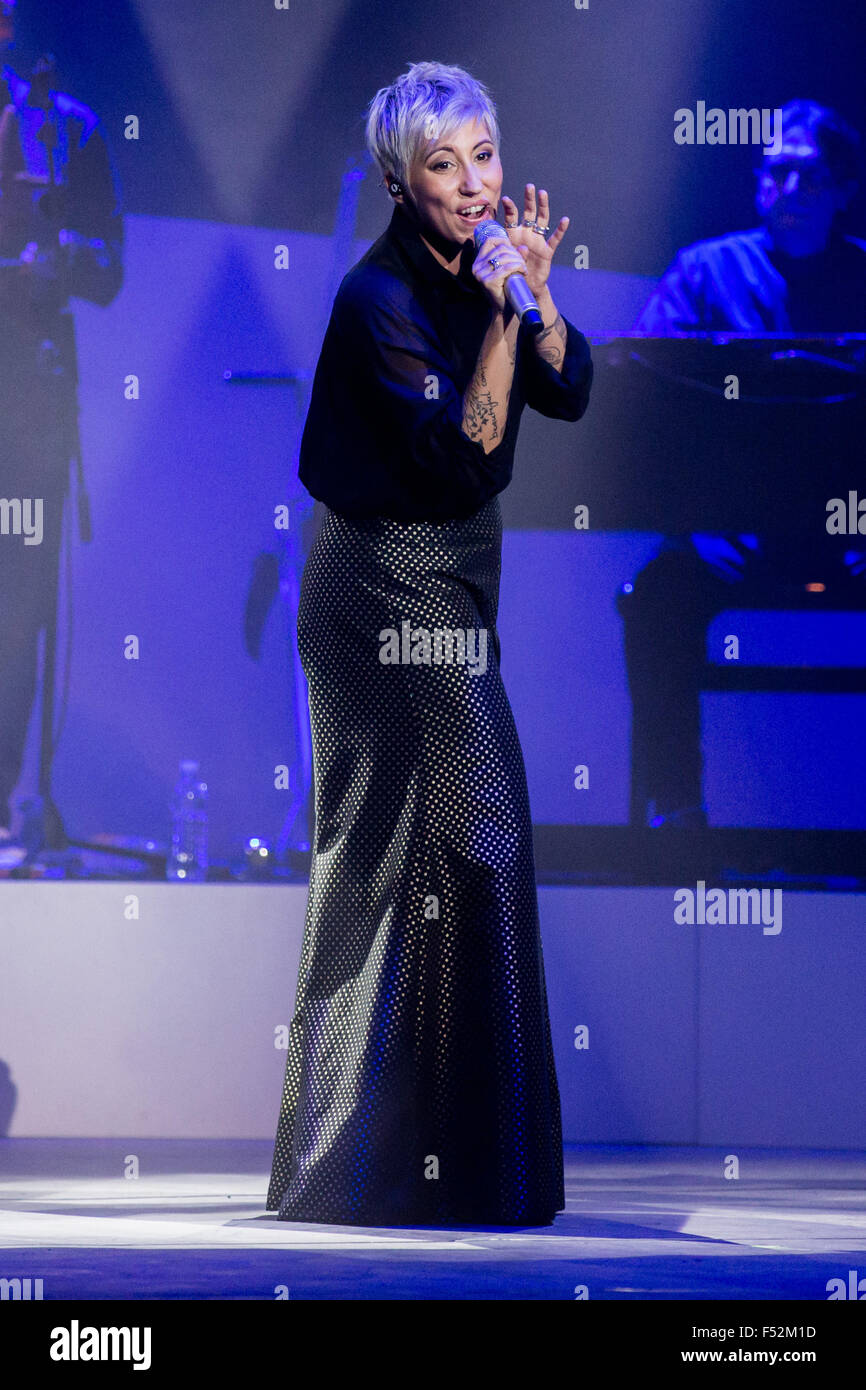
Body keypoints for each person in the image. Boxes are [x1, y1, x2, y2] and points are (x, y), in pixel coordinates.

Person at [265, 60, 593, 1227]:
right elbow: (459, 451)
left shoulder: (487, 268)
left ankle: (431, 1168)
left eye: (484, 155)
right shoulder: (376, 298)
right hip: (373, 586)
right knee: (441, 835)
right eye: (442, 165)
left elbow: (574, 389)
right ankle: (371, 1166)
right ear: (398, 182)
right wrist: (508, 316)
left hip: (452, 576)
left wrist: (534, 302)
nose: (471, 184)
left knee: (452, 854)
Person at [619, 99, 866, 828]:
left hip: (852, 541)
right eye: (776, 174)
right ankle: (678, 816)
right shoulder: (703, 271)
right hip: (727, 541)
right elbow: (638, 388)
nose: (788, 191)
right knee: (658, 596)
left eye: (809, 177)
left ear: (843, 191)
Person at [0, 2, 123, 845]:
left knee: (17, 616)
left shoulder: (62, 126)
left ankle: (10, 808)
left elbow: (111, 267)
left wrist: (59, 257)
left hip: (27, 417)